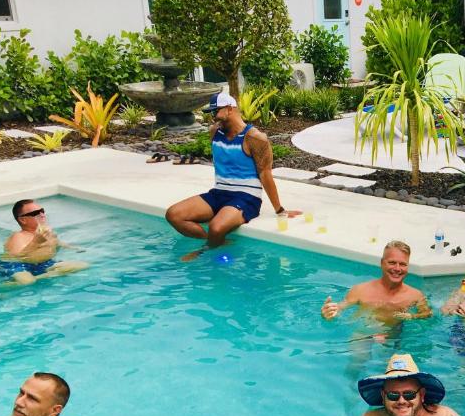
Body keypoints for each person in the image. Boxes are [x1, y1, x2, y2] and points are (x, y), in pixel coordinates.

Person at [164, 93, 300, 262]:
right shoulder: (215, 132)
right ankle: (218, 242)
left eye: (216, 111)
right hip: (219, 192)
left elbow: (265, 175)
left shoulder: (255, 138)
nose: (212, 116)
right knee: (174, 215)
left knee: (216, 227)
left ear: (229, 109)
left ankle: (204, 251)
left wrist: (280, 210)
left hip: (246, 197)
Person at [321, 240, 432, 325]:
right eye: (392, 262)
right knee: (360, 352)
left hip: (395, 335)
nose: (397, 268)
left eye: (403, 264)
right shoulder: (360, 290)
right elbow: (341, 307)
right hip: (364, 331)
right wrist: (330, 312)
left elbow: (427, 315)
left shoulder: (415, 296)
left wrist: (412, 316)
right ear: (382, 263)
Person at [0, 199, 88, 284]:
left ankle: (38, 277)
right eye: (36, 213)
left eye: (42, 211)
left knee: (81, 265)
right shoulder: (18, 236)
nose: (42, 214)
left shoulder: (46, 232)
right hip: (16, 265)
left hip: (41, 263)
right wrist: (36, 242)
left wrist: (73, 248)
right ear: (23, 220)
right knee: (27, 281)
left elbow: (57, 242)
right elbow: (19, 257)